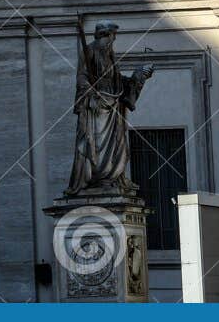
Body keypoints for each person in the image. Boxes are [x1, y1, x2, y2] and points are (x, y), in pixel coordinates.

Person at [66, 20, 154, 195]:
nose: (114, 40)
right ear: (104, 35)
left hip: (113, 106)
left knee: (117, 144)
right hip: (97, 107)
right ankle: (98, 179)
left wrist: (139, 75)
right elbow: (82, 78)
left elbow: (117, 81)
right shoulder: (90, 51)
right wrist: (94, 94)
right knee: (97, 144)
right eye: (113, 36)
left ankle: (113, 177)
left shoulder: (110, 55)